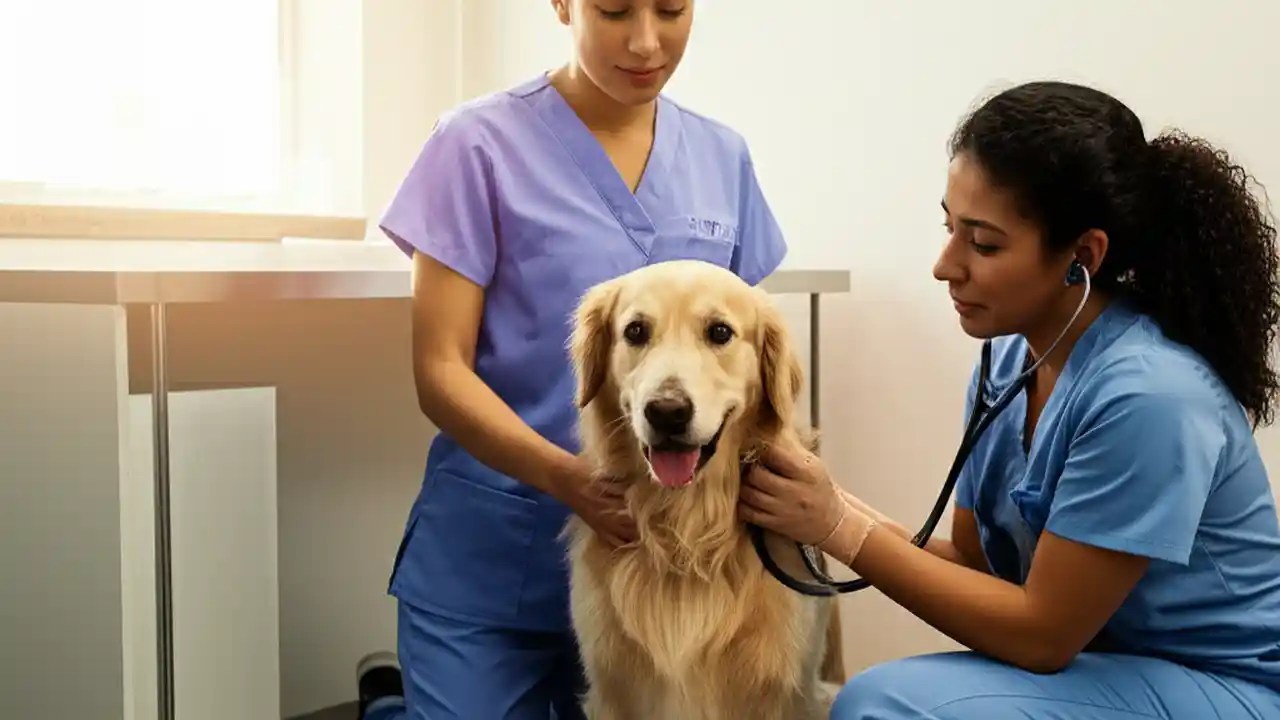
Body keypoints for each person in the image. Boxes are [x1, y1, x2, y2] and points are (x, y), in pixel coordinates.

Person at [739, 80, 1280, 718]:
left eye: (984, 243)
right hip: (1106, 666)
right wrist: (820, 507)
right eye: (948, 228)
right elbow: (975, 564)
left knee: (882, 706)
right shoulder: (1007, 359)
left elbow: (1042, 635)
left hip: (1222, 685)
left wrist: (837, 525)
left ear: (1083, 256)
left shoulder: (1150, 395)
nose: (945, 265)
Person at [354, 1, 788, 718]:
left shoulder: (722, 158)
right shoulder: (476, 145)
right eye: (614, 10)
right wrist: (570, 479)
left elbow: (738, 371)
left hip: (664, 571)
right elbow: (439, 371)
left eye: (672, 9)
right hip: (499, 556)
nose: (647, 41)